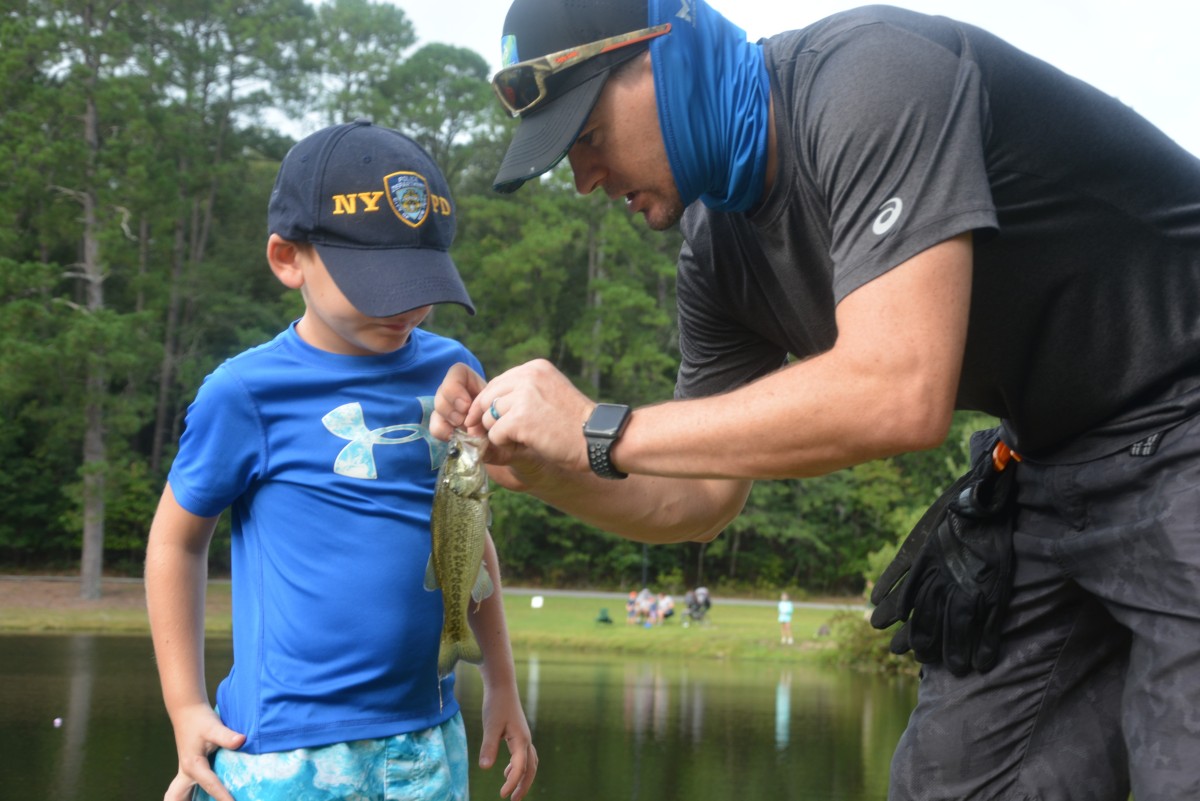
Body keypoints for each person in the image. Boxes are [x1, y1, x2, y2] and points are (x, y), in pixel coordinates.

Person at [431, 0, 1200, 798]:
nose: (583, 179)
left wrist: (597, 426)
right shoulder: (716, 255)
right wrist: (556, 462)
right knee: (952, 781)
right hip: (1048, 458)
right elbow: (699, 497)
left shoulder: (871, 78)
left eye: (587, 137)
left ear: (668, 51)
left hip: (1184, 408)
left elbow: (899, 391)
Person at [145, 121, 537, 801]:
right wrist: (186, 706)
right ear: (287, 258)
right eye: (377, 280)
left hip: (425, 739)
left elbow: (467, 534)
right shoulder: (246, 392)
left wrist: (501, 681)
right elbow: (176, 544)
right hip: (285, 752)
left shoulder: (453, 369)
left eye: (420, 278)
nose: (407, 304)